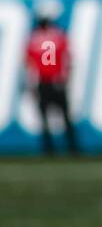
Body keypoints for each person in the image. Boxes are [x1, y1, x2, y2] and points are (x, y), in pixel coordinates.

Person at [26, 8, 78, 155]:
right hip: (57, 80)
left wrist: (31, 84)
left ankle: (49, 148)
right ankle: (72, 146)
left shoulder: (34, 39)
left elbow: (29, 65)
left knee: (45, 117)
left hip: (43, 81)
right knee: (65, 115)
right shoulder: (59, 36)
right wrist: (66, 78)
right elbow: (68, 59)